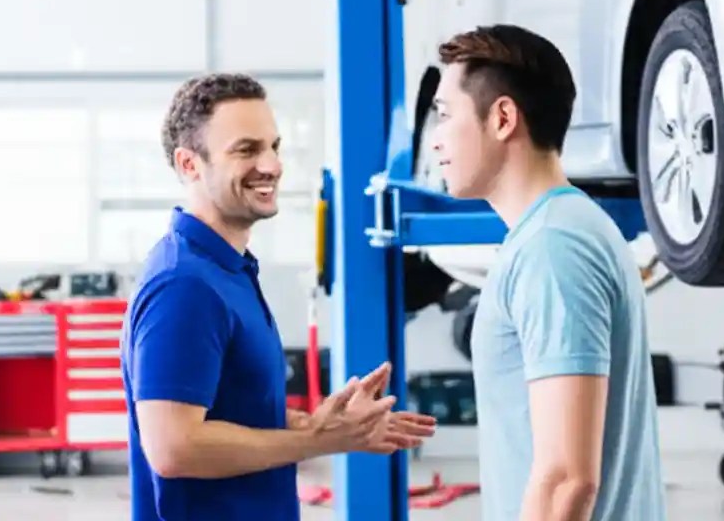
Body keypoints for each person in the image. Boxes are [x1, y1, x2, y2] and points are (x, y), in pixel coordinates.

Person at [120, 72, 436, 521]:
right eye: (246, 150)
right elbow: (175, 448)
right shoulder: (184, 285)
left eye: (274, 146)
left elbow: (230, 411)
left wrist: (322, 424)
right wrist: (320, 441)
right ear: (190, 164)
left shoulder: (227, 270)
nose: (271, 165)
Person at [429, 26, 666, 521]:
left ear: (502, 118)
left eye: (445, 115)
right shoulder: (558, 230)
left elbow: (566, 481)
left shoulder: (553, 247)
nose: (435, 140)